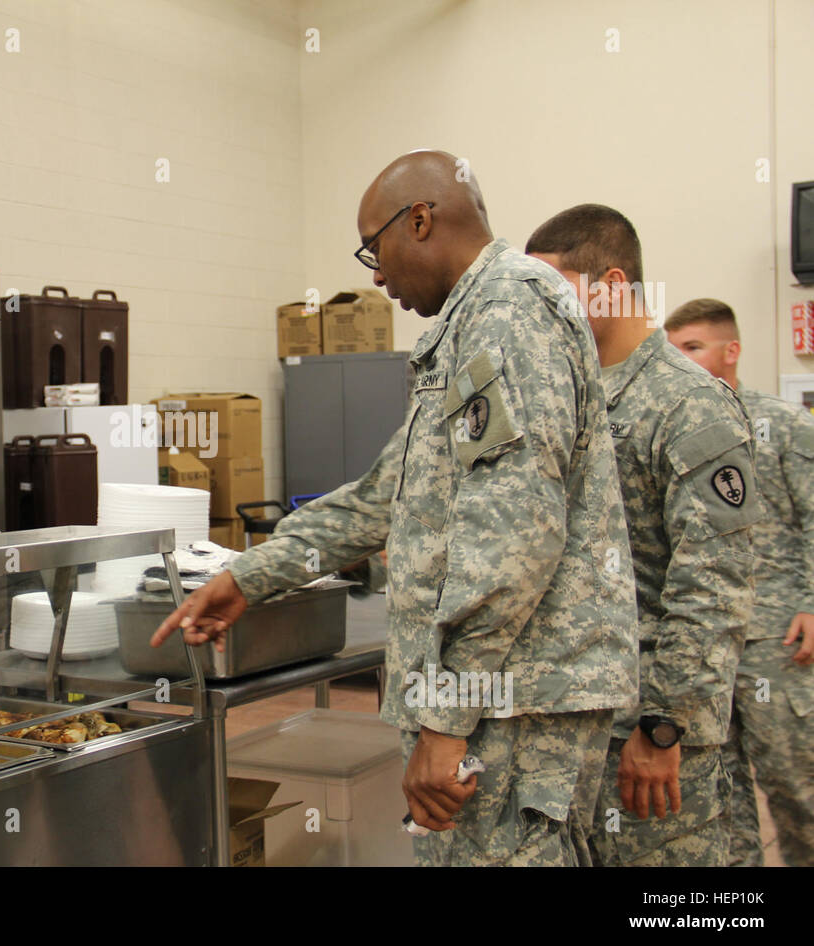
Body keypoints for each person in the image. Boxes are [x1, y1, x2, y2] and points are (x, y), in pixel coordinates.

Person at [151, 150, 640, 866]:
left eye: (373, 249)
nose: (375, 277)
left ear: (419, 221)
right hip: (501, 697)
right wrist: (251, 575)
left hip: (509, 701)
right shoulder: (477, 320)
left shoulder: (506, 312)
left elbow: (515, 535)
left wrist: (446, 719)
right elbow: (383, 497)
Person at [526, 208, 761, 867]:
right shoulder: (569, 397)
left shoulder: (690, 402)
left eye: (553, 287)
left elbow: (711, 589)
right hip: (572, 728)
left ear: (610, 283)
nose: (540, 306)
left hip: (651, 732)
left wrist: (661, 729)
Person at [665, 297, 814, 867]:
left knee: (798, 789)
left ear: (731, 351)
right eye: (673, 350)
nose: (680, 361)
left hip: (779, 646)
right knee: (717, 803)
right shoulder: (673, 434)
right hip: (704, 652)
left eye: (693, 347)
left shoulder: (784, 426)